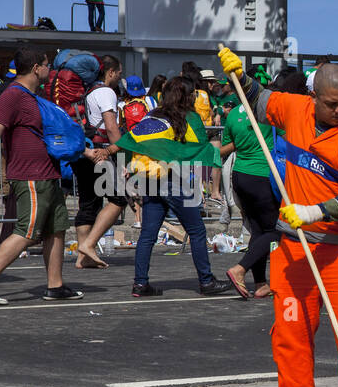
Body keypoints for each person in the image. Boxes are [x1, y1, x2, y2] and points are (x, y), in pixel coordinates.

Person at [219, 48, 338, 387]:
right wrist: (237, 74)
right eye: (332, 104)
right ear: (315, 98)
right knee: (290, 334)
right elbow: (255, 98)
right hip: (295, 250)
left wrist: (314, 212)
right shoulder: (294, 109)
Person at [0, 46, 82, 304]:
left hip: (48, 174)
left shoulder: (33, 96)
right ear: (36, 68)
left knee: (56, 229)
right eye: (47, 64)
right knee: (29, 230)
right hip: (30, 176)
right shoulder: (13, 95)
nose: (49, 69)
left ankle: (55, 285)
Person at [89, 76, 232, 299]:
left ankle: (140, 284)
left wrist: (107, 151)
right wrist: (233, 148)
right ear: (187, 96)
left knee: (147, 234)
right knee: (196, 231)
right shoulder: (190, 118)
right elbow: (201, 151)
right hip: (175, 180)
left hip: (150, 179)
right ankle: (206, 281)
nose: (195, 96)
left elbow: (131, 138)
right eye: (193, 93)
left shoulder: (152, 116)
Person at [220, 80, 280, 300]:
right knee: (275, 230)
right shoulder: (267, 111)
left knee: (258, 230)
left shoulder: (233, 114)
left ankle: (261, 283)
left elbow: (230, 144)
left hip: (241, 175)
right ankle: (240, 268)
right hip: (261, 174)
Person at [69, 54, 125, 268]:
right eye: (119, 73)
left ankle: (83, 258)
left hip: (85, 151)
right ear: (110, 72)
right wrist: (120, 155)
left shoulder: (89, 91)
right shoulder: (105, 92)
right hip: (101, 152)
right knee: (119, 198)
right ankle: (89, 245)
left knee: (88, 202)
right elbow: (110, 126)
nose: (120, 77)